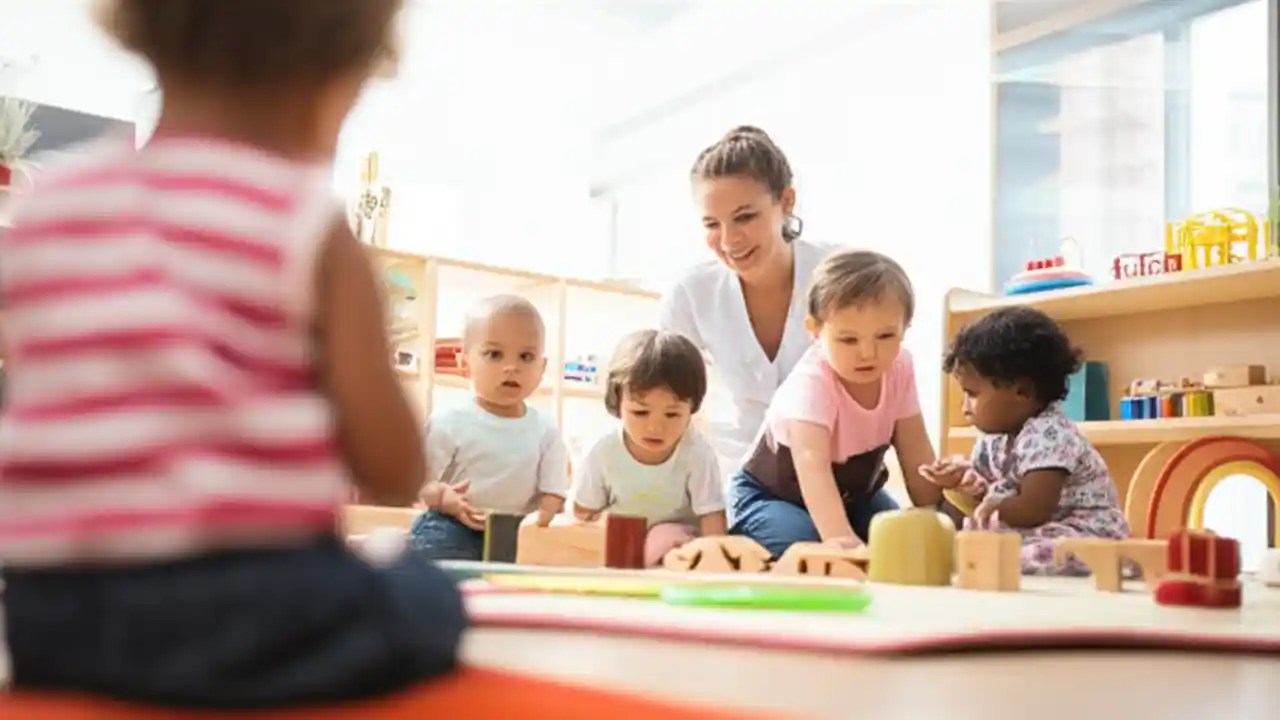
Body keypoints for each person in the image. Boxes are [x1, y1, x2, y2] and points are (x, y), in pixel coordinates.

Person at [0, 0, 464, 708]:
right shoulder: (304, 219)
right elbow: (395, 468)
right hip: (247, 606)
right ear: (333, 83)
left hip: (53, 612)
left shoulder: (46, 209)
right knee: (428, 597)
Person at [729, 250, 942, 558]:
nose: (868, 353)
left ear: (906, 327)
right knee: (806, 545)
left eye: (885, 336)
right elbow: (812, 466)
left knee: (899, 539)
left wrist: (936, 514)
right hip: (770, 496)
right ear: (815, 330)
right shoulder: (811, 384)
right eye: (848, 340)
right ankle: (742, 540)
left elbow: (915, 447)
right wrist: (840, 540)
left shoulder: (900, 368)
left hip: (853, 496)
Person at [659, 126, 834, 468]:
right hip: (739, 474)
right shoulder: (691, 294)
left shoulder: (839, 273)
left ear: (786, 202)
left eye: (745, 217)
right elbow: (663, 396)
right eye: (712, 224)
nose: (728, 241)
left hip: (836, 470)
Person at [921, 306, 1130, 575]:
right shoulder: (994, 438)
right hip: (1038, 530)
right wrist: (961, 483)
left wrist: (990, 506)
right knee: (971, 543)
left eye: (972, 394)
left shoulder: (1049, 434)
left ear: (1022, 391)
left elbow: (1034, 508)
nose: (964, 407)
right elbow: (987, 490)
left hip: (1085, 532)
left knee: (1034, 554)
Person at [411, 295, 568, 560]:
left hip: (516, 528)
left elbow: (554, 492)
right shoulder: (450, 421)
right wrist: (441, 496)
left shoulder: (546, 430)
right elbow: (419, 480)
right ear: (465, 362)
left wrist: (539, 521)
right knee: (433, 551)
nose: (512, 367)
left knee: (547, 556)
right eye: (494, 354)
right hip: (453, 523)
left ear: (542, 368)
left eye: (526, 357)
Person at [570, 330, 726, 567]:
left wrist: (716, 559)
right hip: (620, 535)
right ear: (618, 403)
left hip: (676, 541)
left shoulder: (696, 452)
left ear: (692, 408)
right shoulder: (602, 450)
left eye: (672, 414)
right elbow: (582, 511)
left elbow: (712, 516)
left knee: (662, 540)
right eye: (640, 412)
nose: (656, 427)